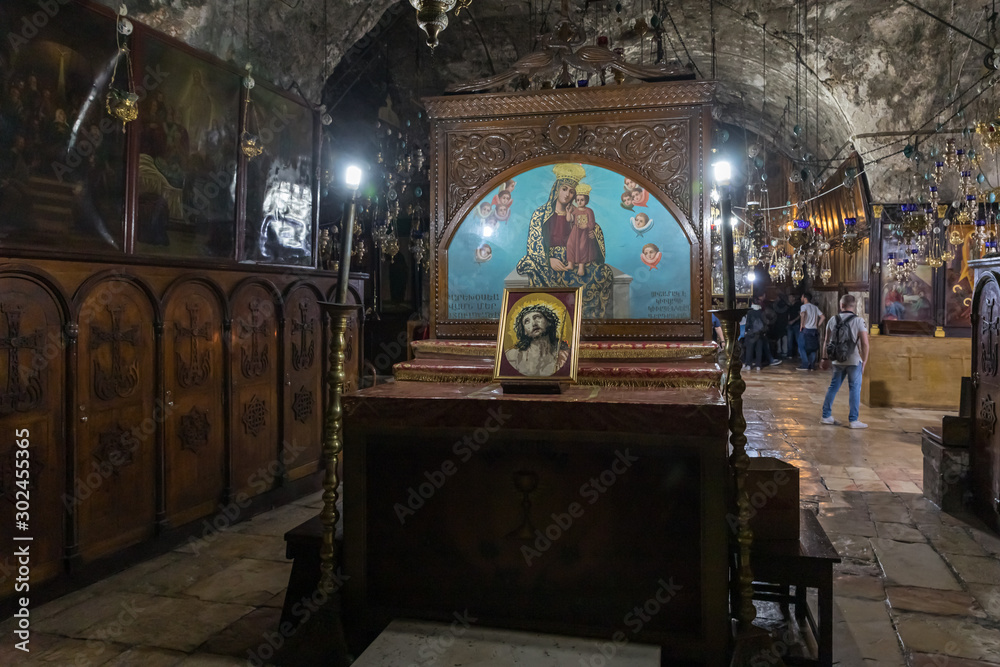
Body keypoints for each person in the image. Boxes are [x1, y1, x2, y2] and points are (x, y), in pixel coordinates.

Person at [514, 163, 614, 318]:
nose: (567, 194)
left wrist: (592, 235)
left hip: (574, 258)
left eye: (572, 191)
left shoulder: (576, 213)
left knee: (603, 273)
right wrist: (549, 260)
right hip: (550, 263)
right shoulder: (540, 214)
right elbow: (534, 244)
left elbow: (589, 229)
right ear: (557, 188)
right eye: (564, 189)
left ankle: (591, 325)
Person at [820, 294, 870, 428]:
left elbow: (826, 341)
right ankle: (853, 420)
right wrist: (864, 361)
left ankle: (826, 416)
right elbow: (864, 343)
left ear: (840, 305)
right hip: (853, 360)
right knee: (854, 389)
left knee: (833, 387)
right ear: (854, 306)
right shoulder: (859, 321)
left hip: (837, 360)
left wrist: (825, 358)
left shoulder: (832, 319)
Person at [505, 303, 570, 376]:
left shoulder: (564, 355)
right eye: (527, 321)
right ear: (524, 331)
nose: (533, 324)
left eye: (537, 317)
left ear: (549, 322)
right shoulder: (513, 357)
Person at [565, 184, 599, 276]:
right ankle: (570, 264)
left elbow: (592, 223)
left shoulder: (589, 211)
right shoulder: (575, 210)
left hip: (584, 234)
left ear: (586, 200)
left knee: (582, 248)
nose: (579, 202)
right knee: (570, 245)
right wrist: (568, 212)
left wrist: (586, 226)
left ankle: (581, 268)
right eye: (578, 200)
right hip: (575, 232)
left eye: (582, 200)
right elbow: (569, 219)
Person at [797, 292, 825, 371]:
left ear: (805, 298)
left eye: (802, 297)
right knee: (813, 347)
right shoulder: (815, 307)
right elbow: (823, 317)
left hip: (806, 329)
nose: (801, 298)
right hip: (814, 330)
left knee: (801, 347)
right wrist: (817, 325)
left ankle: (805, 364)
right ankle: (812, 365)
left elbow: (803, 315)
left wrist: (802, 325)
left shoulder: (803, 306)